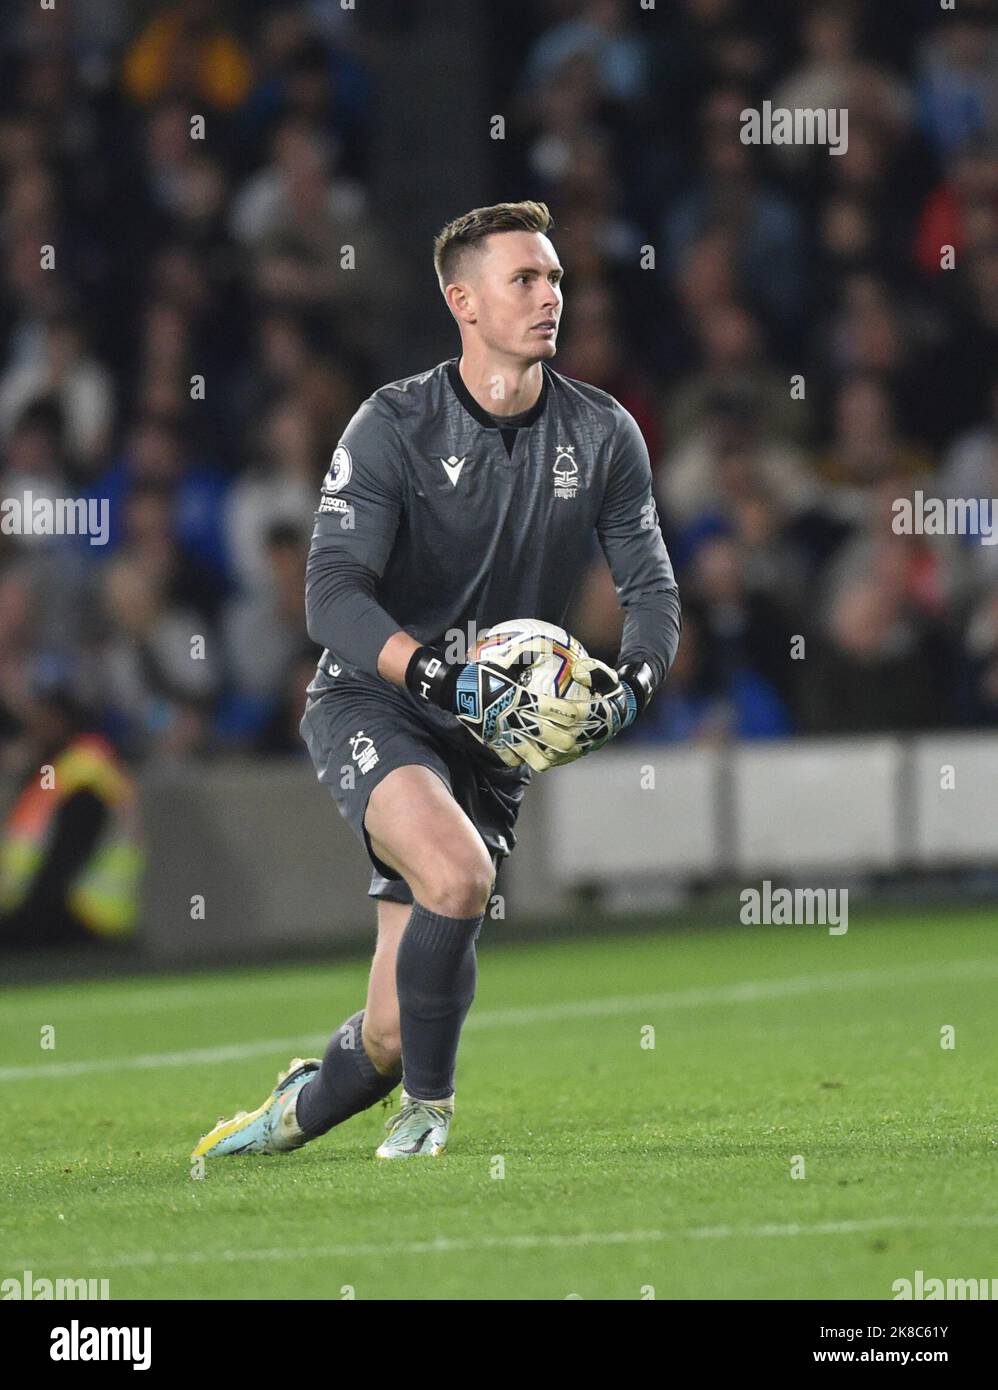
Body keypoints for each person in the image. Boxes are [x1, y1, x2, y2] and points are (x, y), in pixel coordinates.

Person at [191, 200, 682, 1162]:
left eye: (555, 279)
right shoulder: (392, 425)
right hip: (378, 698)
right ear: (462, 301)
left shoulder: (605, 431)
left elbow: (651, 586)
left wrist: (634, 683)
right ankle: (430, 1112)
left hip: (493, 740)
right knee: (461, 875)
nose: (551, 297)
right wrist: (436, 675)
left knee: (384, 1031)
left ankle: (286, 1116)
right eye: (525, 280)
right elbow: (329, 596)